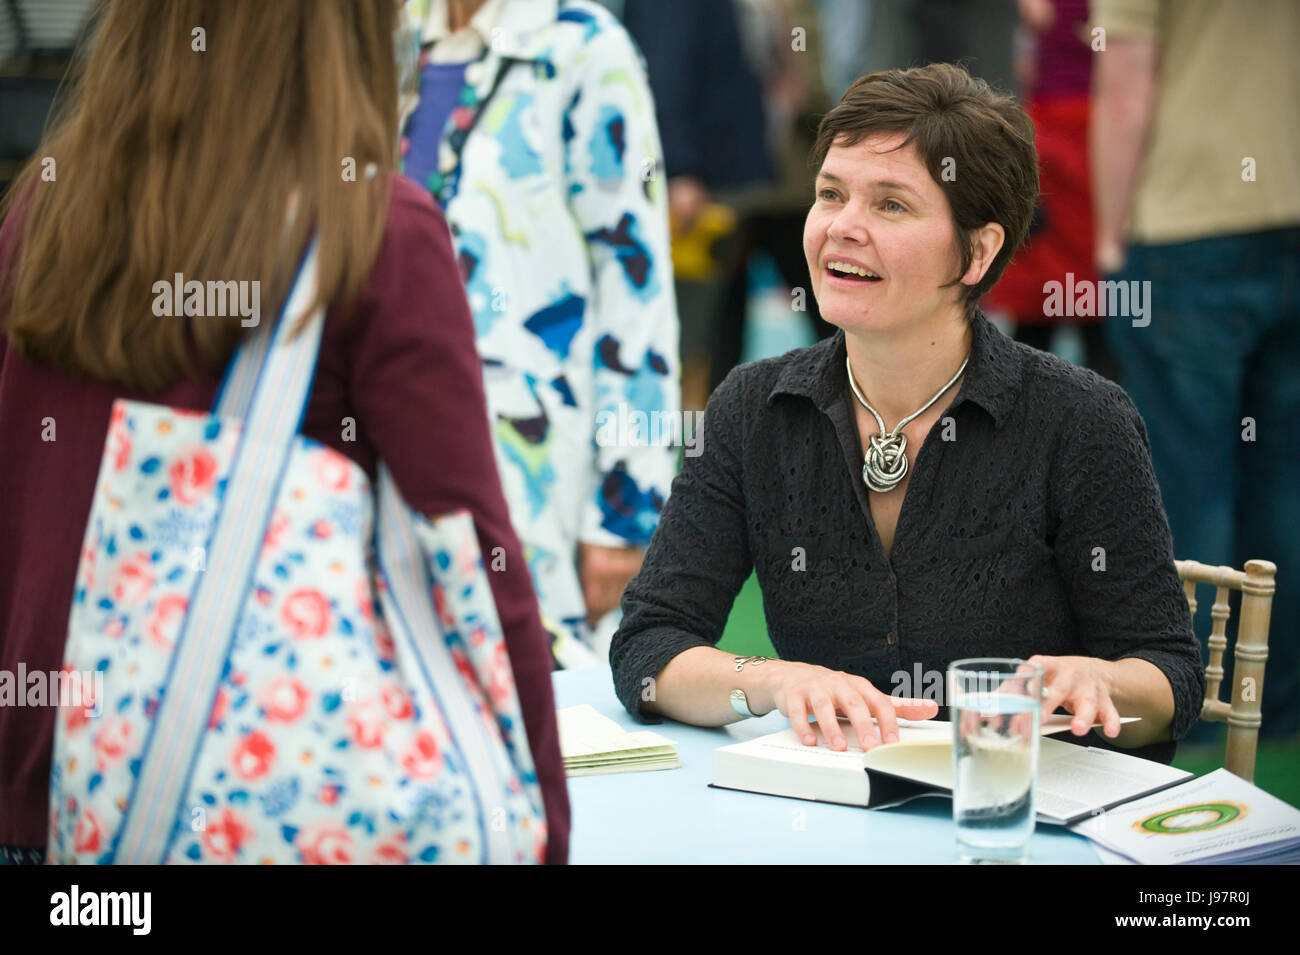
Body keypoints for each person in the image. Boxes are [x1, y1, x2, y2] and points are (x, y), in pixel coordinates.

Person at [0, 0, 568, 864]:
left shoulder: (46, 209)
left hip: (46, 799)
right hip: (234, 804)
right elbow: (475, 564)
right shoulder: (373, 234)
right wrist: (541, 819)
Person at [610, 63, 1205, 762]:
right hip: (832, 815)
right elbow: (649, 647)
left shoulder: (1081, 420)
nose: (843, 228)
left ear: (977, 251)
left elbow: (1170, 675)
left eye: (891, 205)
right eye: (831, 194)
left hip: (1018, 816)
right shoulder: (753, 406)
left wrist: (1101, 679)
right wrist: (773, 681)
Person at [400, 0, 681, 668]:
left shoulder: (584, 44)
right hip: (394, 453)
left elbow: (636, 282)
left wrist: (627, 507)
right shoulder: (385, 40)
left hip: (530, 467)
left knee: (538, 698)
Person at [1090, 0, 1300, 741]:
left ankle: (1190, 704)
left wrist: (1110, 243)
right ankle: (1272, 705)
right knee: (1283, 477)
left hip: (1186, 227)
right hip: (1287, 219)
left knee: (1185, 477)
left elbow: (1126, 88)